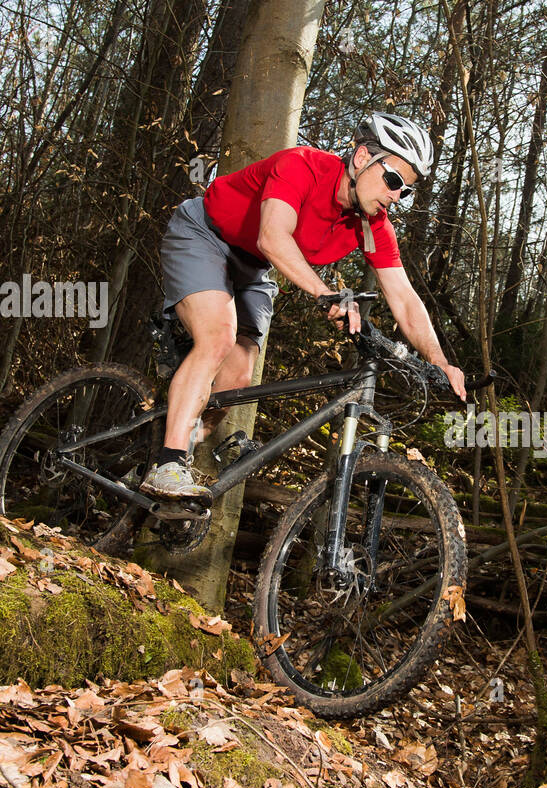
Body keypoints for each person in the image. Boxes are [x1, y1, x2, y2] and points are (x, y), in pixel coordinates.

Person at [141, 112, 466, 500]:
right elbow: (273, 238)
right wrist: (324, 291)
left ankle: (171, 459)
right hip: (205, 235)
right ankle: (168, 464)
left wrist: (438, 360)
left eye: (406, 191)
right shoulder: (302, 166)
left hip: (254, 268)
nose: (397, 196)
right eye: (394, 180)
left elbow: (405, 298)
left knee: (238, 377)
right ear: (362, 157)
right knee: (218, 337)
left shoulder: (372, 226)